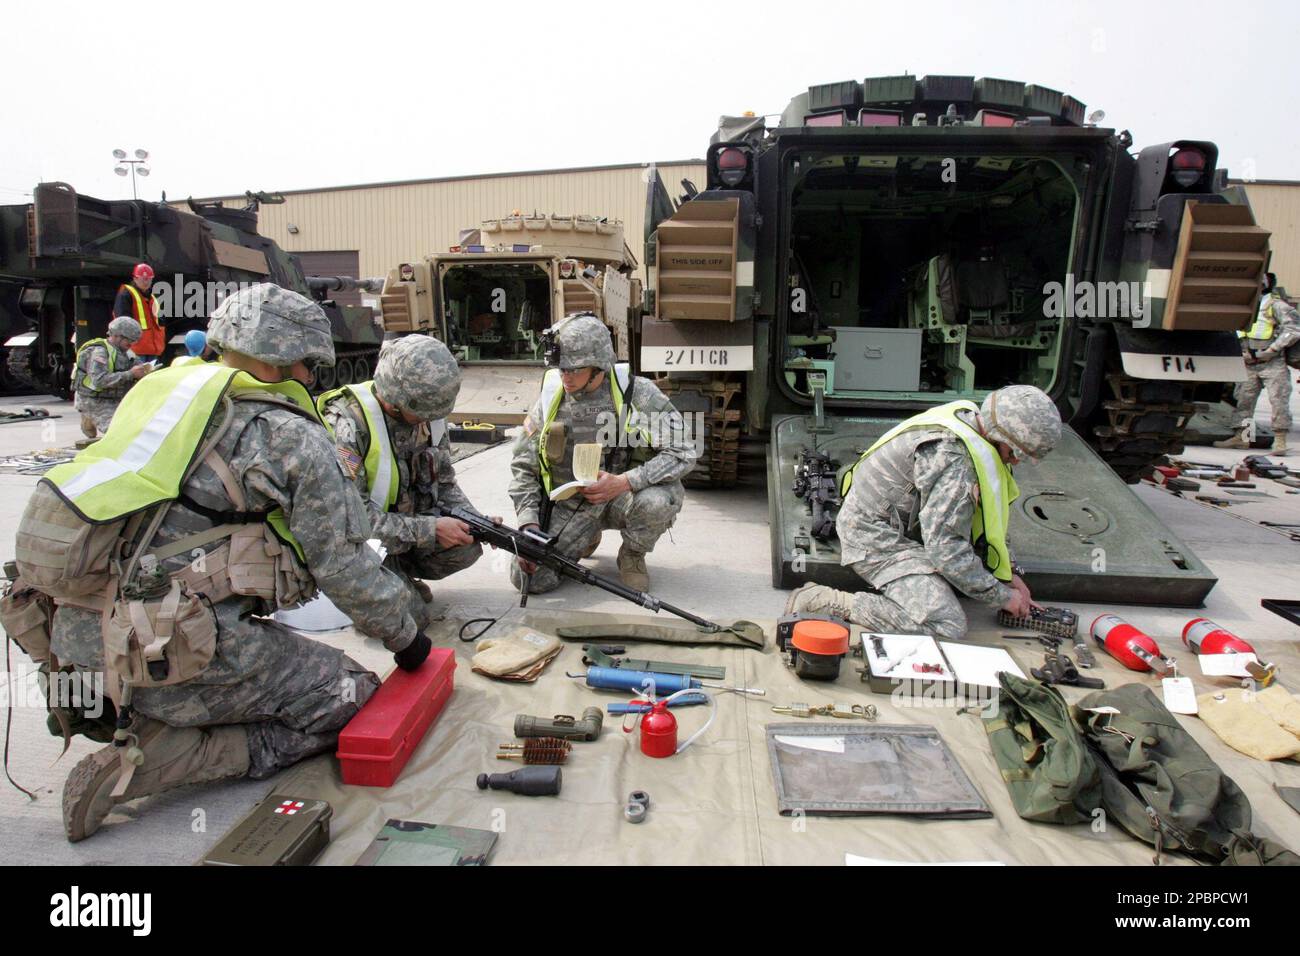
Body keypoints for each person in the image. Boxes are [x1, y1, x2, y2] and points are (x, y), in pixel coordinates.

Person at [44, 283, 425, 841]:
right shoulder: (286, 432)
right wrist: (406, 638)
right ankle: (169, 752)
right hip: (167, 648)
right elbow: (342, 565)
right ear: (298, 359)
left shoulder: (158, 395)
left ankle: (137, 710)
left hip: (76, 638)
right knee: (349, 693)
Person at [786, 385, 1062, 640]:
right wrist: (1001, 596)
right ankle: (825, 600)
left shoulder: (970, 422)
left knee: (958, 584)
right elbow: (945, 549)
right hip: (875, 535)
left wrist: (1007, 575)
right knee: (946, 624)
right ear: (1002, 435)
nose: (1015, 460)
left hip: (904, 528)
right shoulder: (954, 458)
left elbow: (985, 520)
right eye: (1015, 452)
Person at [507, 313, 697, 592]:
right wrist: (528, 524)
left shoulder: (637, 393)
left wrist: (624, 482)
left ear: (599, 367)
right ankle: (586, 536)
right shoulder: (551, 396)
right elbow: (523, 465)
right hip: (572, 503)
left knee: (658, 502)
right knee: (529, 579)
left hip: (624, 495)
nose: (565, 376)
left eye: (574, 369)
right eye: (561, 368)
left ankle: (632, 554)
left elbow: (684, 451)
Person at [318, 335, 492, 620]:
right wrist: (431, 529)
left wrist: (474, 520)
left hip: (399, 537)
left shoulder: (428, 412)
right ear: (393, 400)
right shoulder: (348, 426)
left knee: (465, 547)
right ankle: (374, 588)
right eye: (420, 413)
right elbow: (353, 521)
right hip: (360, 547)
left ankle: (399, 577)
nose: (428, 420)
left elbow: (445, 482)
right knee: (411, 624)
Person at [1215, 274, 1300, 455]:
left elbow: (1293, 330)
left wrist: (1272, 350)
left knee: (1279, 401)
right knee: (1244, 401)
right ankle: (1243, 437)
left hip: (1272, 363)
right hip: (1248, 362)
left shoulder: (1276, 306)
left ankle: (1280, 441)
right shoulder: (1244, 307)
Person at [72, 316, 153, 439]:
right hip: (94, 399)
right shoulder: (99, 352)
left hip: (117, 398)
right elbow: (99, 381)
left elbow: (137, 367)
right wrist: (130, 374)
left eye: (134, 341)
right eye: (129, 340)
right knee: (118, 432)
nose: (131, 344)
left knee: (139, 426)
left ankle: (91, 417)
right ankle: (88, 415)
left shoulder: (127, 353)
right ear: (116, 336)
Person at [113, 262, 164, 360]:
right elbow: (122, 321)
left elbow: (159, 323)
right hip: (135, 349)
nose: (146, 282)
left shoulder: (152, 298)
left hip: (152, 349)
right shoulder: (126, 294)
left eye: (149, 279)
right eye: (143, 279)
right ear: (135, 278)